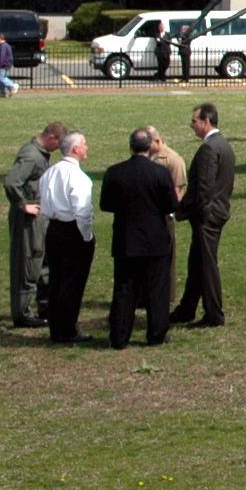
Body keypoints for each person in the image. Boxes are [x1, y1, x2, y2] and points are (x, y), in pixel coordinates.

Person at [102, 128, 179, 348]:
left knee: (124, 289)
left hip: (126, 239)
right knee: (156, 290)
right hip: (154, 239)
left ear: (130, 147)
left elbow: (106, 204)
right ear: (150, 147)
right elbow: (171, 205)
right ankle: (156, 334)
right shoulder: (159, 173)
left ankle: (119, 336)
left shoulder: (114, 172)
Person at [171, 103, 234, 329]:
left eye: (194, 121)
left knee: (206, 265)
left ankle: (214, 315)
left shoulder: (209, 149)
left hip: (208, 217)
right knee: (197, 263)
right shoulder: (223, 145)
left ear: (206, 121)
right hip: (216, 212)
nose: (192, 125)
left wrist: (200, 214)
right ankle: (187, 309)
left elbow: (204, 188)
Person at [3, 121, 63, 327]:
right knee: (28, 261)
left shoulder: (39, 154)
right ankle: (22, 314)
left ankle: (45, 306)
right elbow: (12, 182)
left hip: (39, 216)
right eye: (58, 144)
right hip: (27, 219)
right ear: (51, 138)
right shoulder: (31, 156)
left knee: (41, 259)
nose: (59, 149)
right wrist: (23, 205)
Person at [38, 130, 94, 343]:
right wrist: (87, 237)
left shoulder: (50, 173)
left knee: (56, 280)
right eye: (84, 144)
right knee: (72, 283)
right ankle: (68, 329)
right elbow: (82, 212)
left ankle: (56, 328)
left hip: (54, 229)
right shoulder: (78, 177)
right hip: (73, 231)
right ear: (76, 149)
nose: (86, 148)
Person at [145, 125, 187, 302]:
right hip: (147, 216)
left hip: (163, 216)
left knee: (165, 260)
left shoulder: (172, 160)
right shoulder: (146, 156)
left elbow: (178, 191)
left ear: (157, 140)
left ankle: (166, 296)